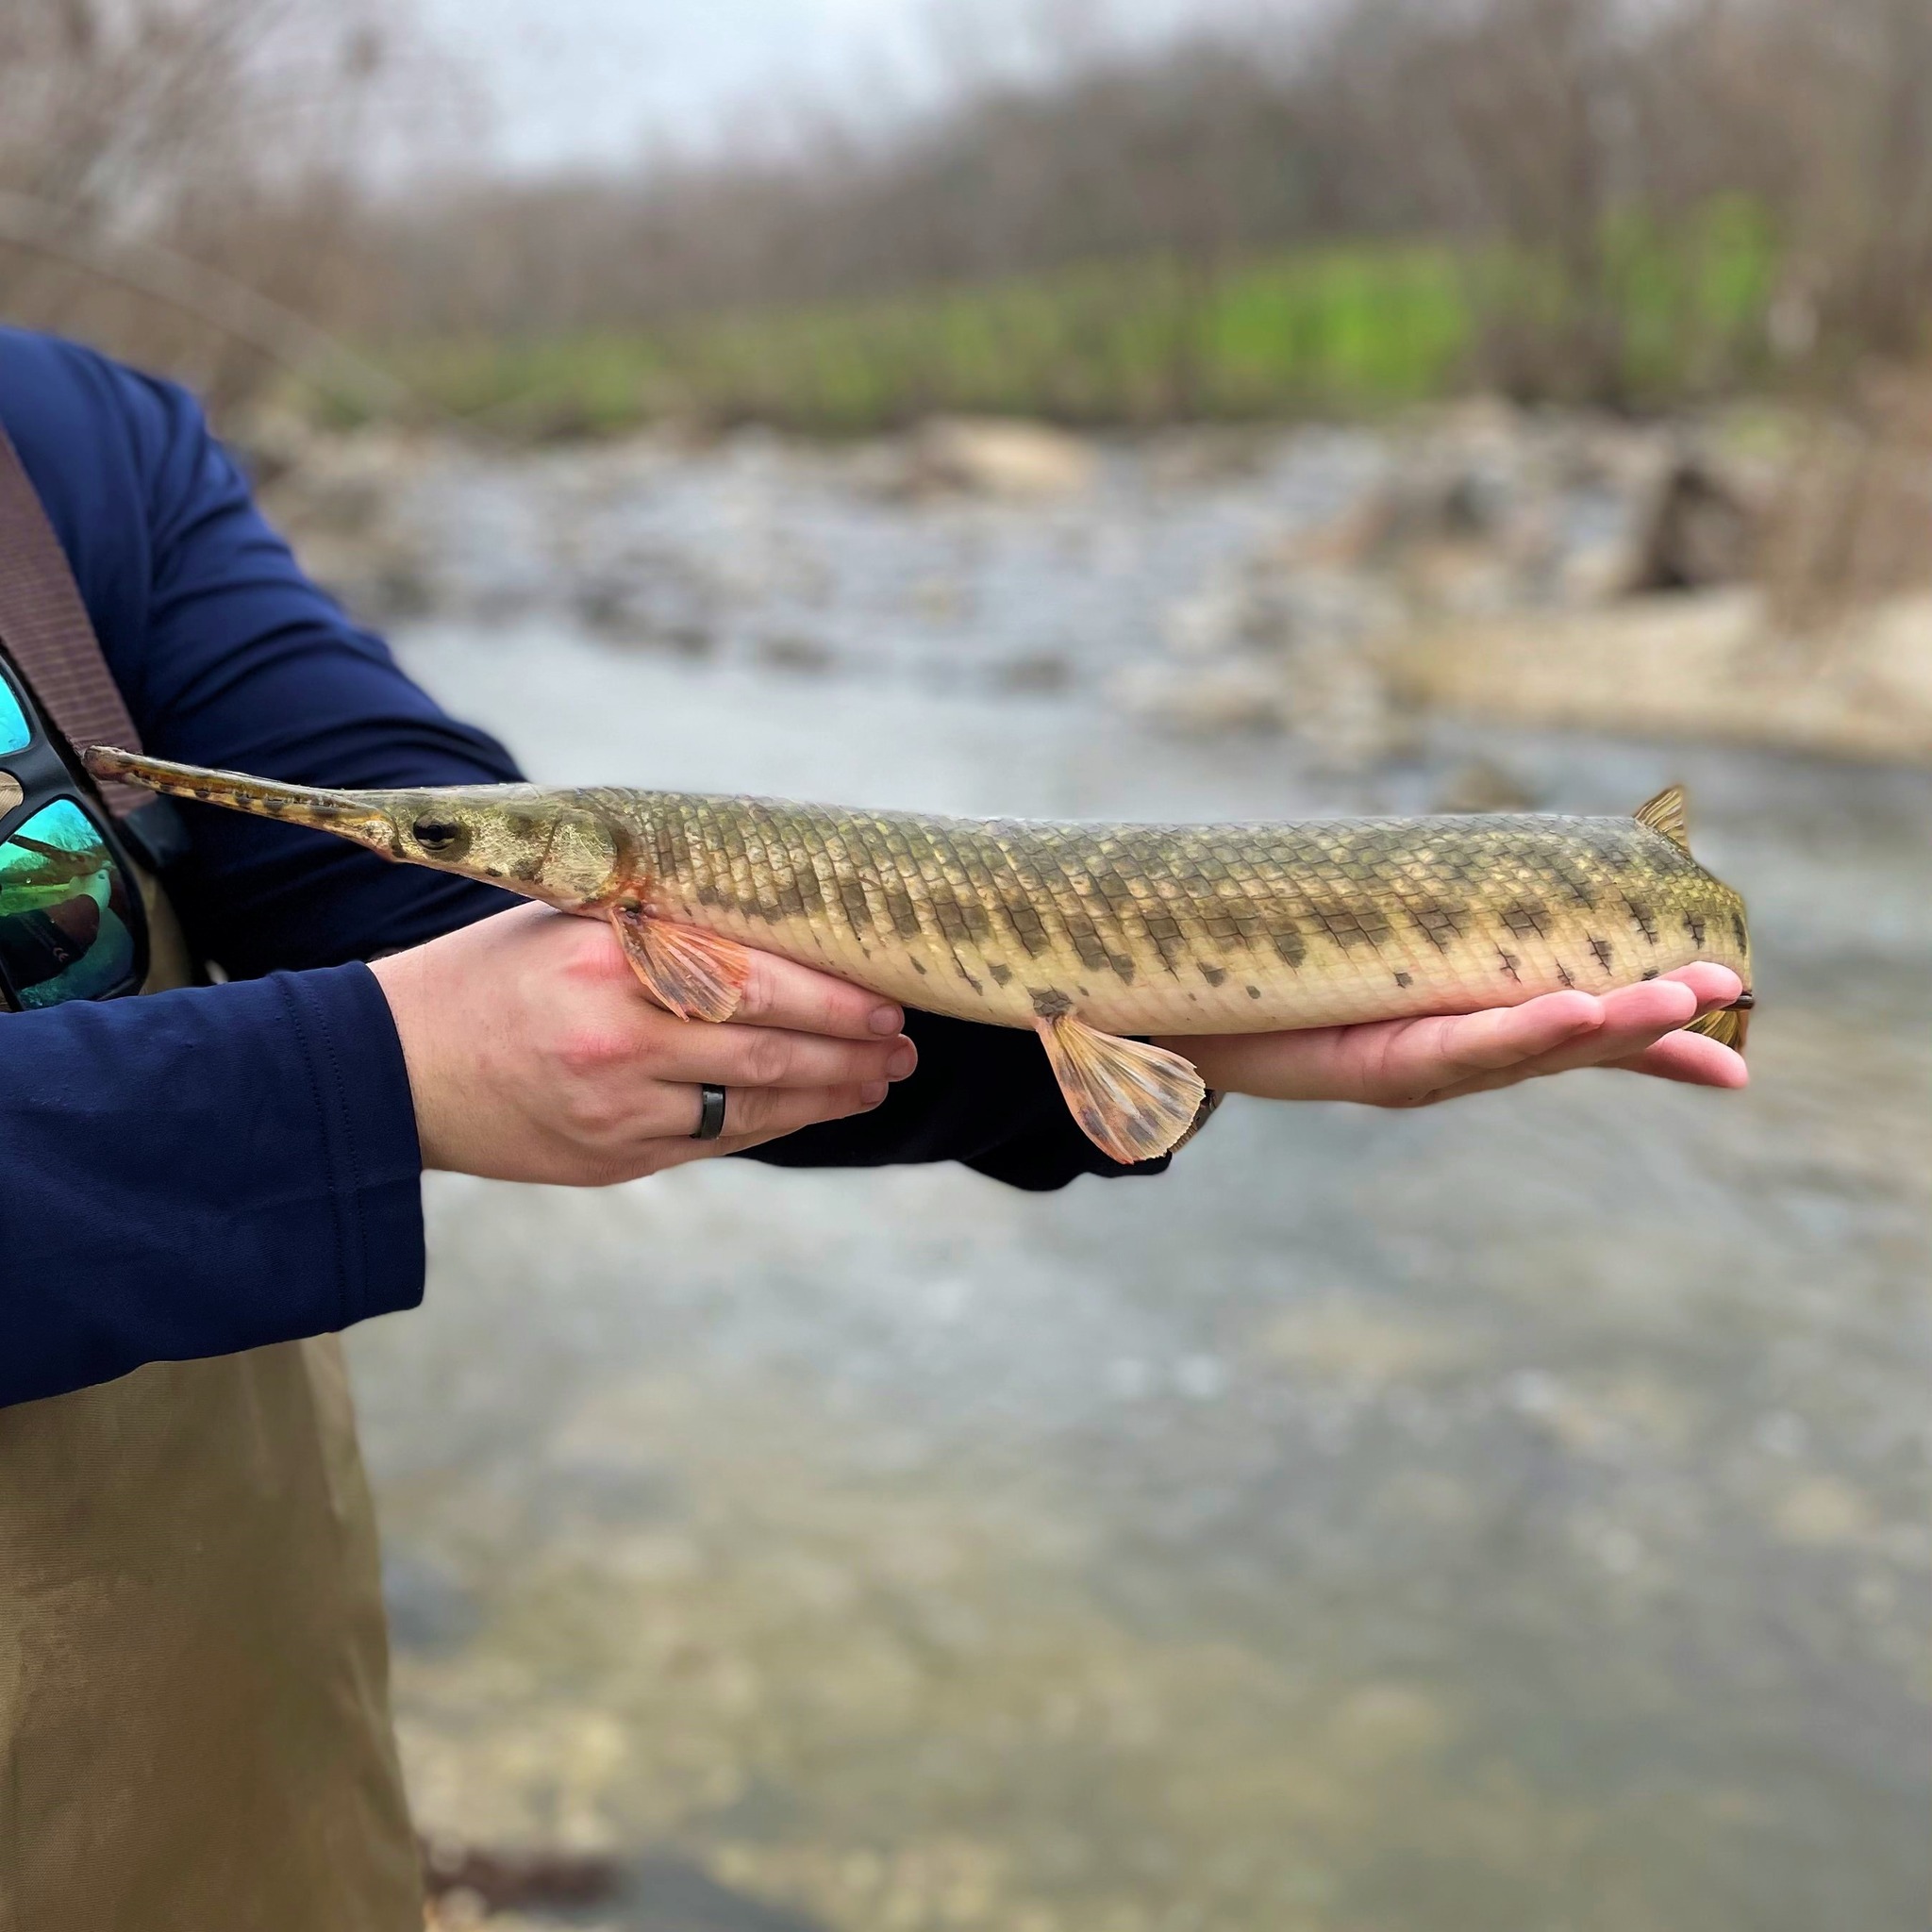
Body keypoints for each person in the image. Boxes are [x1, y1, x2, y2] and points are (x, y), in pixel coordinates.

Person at [0, 325, 1745, 1928]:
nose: (458, 865)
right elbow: (429, 994)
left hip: (212, 1723)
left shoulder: (77, 448)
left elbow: (421, 907)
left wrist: (1175, 1014)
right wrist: (362, 1078)